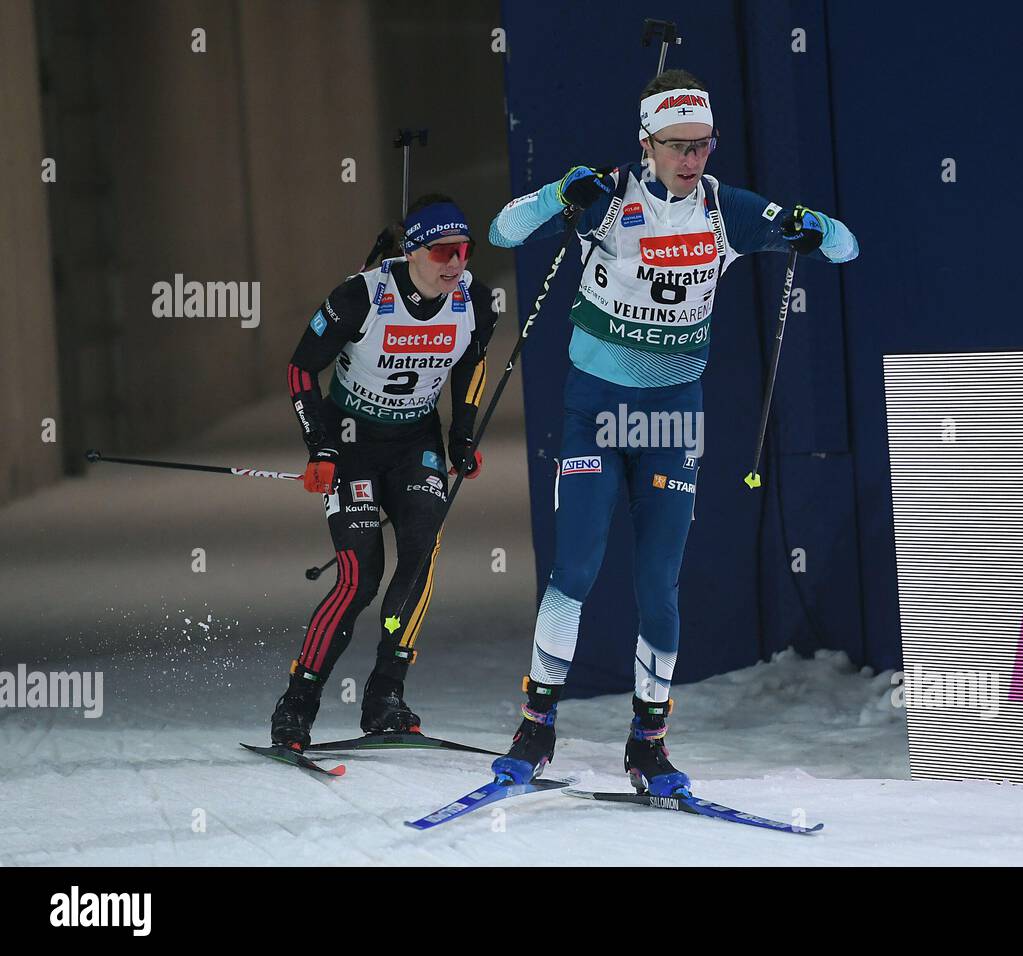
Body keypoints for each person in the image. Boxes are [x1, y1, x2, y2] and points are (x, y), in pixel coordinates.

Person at [486, 69, 858, 795]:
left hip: (670, 416)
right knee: (577, 571)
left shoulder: (726, 209)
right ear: (647, 143)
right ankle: (536, 729)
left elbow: (846, 247)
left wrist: (814, 229)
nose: (692, 160)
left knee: (659, 583)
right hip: (595, 409)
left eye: (703, 145)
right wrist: (556, 195)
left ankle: (648, 745)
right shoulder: (610, 195)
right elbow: (504, 229)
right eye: (677, 146)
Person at [269, 193, 497, 748]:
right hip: (352, 444)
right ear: (413, 250)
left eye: (463, 251)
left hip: (415, 441)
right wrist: (320, 448)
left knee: (421, 550)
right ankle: (298, 702)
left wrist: (463, 433)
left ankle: (385, 695)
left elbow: (472, 361)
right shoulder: (361, 296)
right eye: (442, 251)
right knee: (359, 577)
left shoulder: (476, 301)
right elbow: (303, 369)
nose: (456, 263)